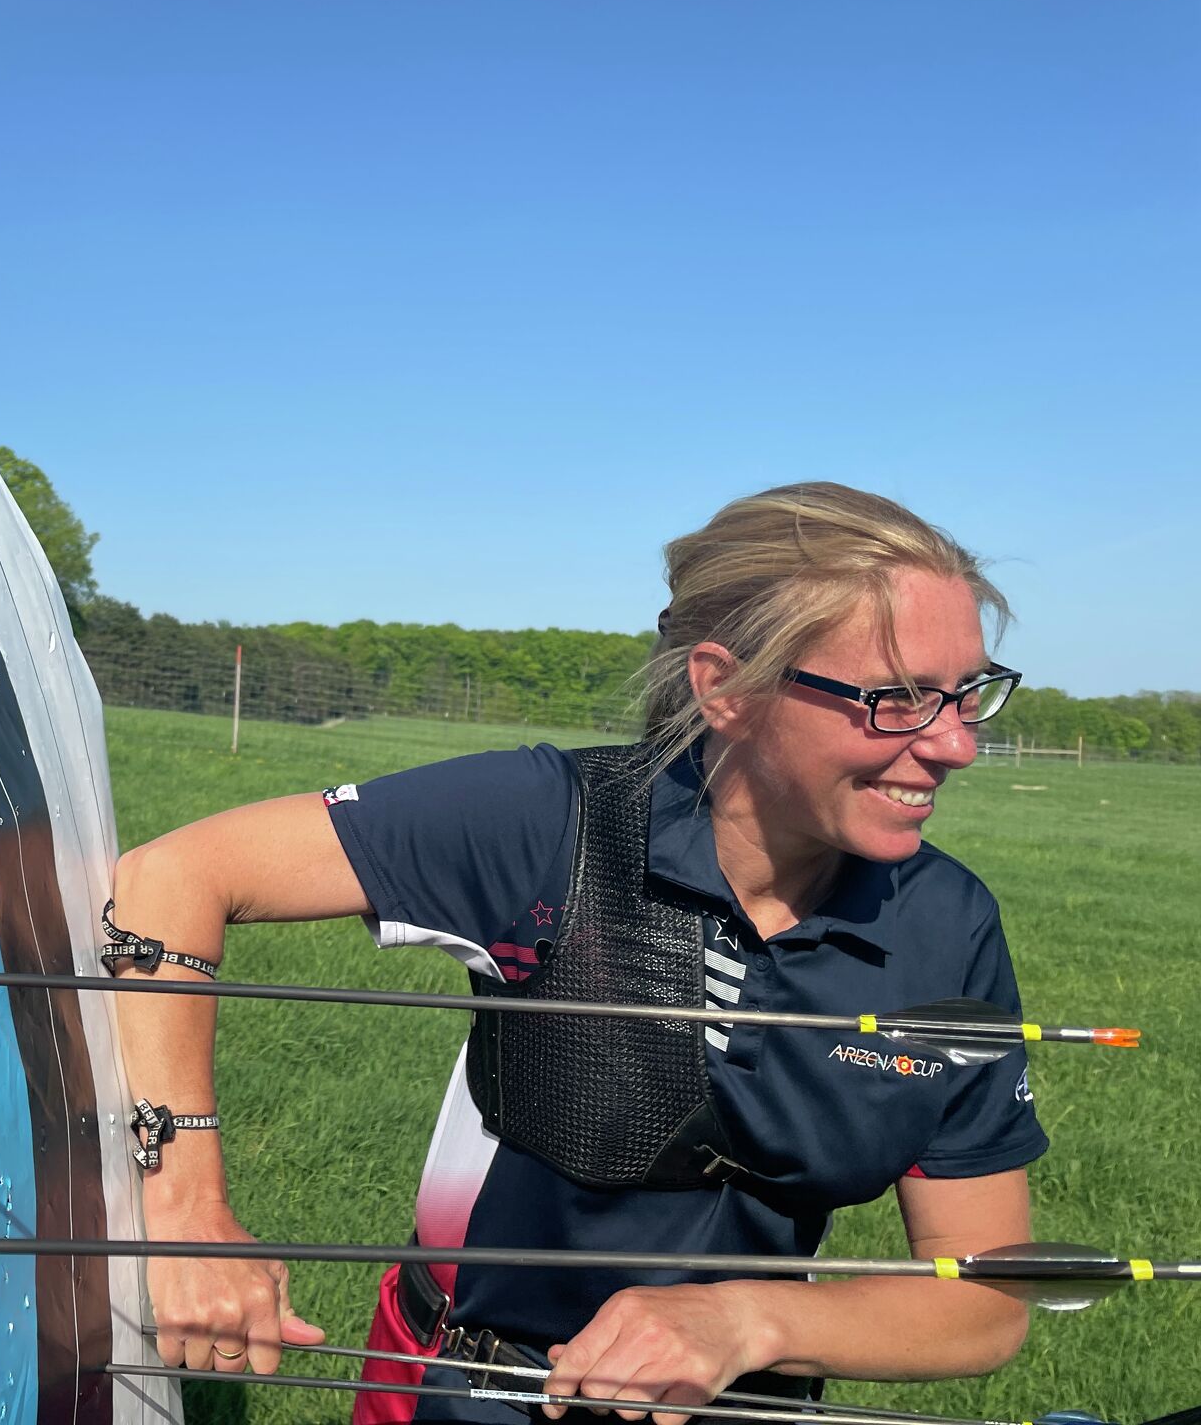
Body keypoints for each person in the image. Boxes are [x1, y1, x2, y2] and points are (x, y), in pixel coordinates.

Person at [108, 482, 1047, 1423]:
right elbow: (178, 875)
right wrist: (187, 1212)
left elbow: (986, 1301)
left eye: (968, 694)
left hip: (746, 1400)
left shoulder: (947, 925)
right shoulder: (551, 823)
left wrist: (746, 1321)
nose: (956, 744)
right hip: (473, 1388)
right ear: (724, 688)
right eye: (898, 700)